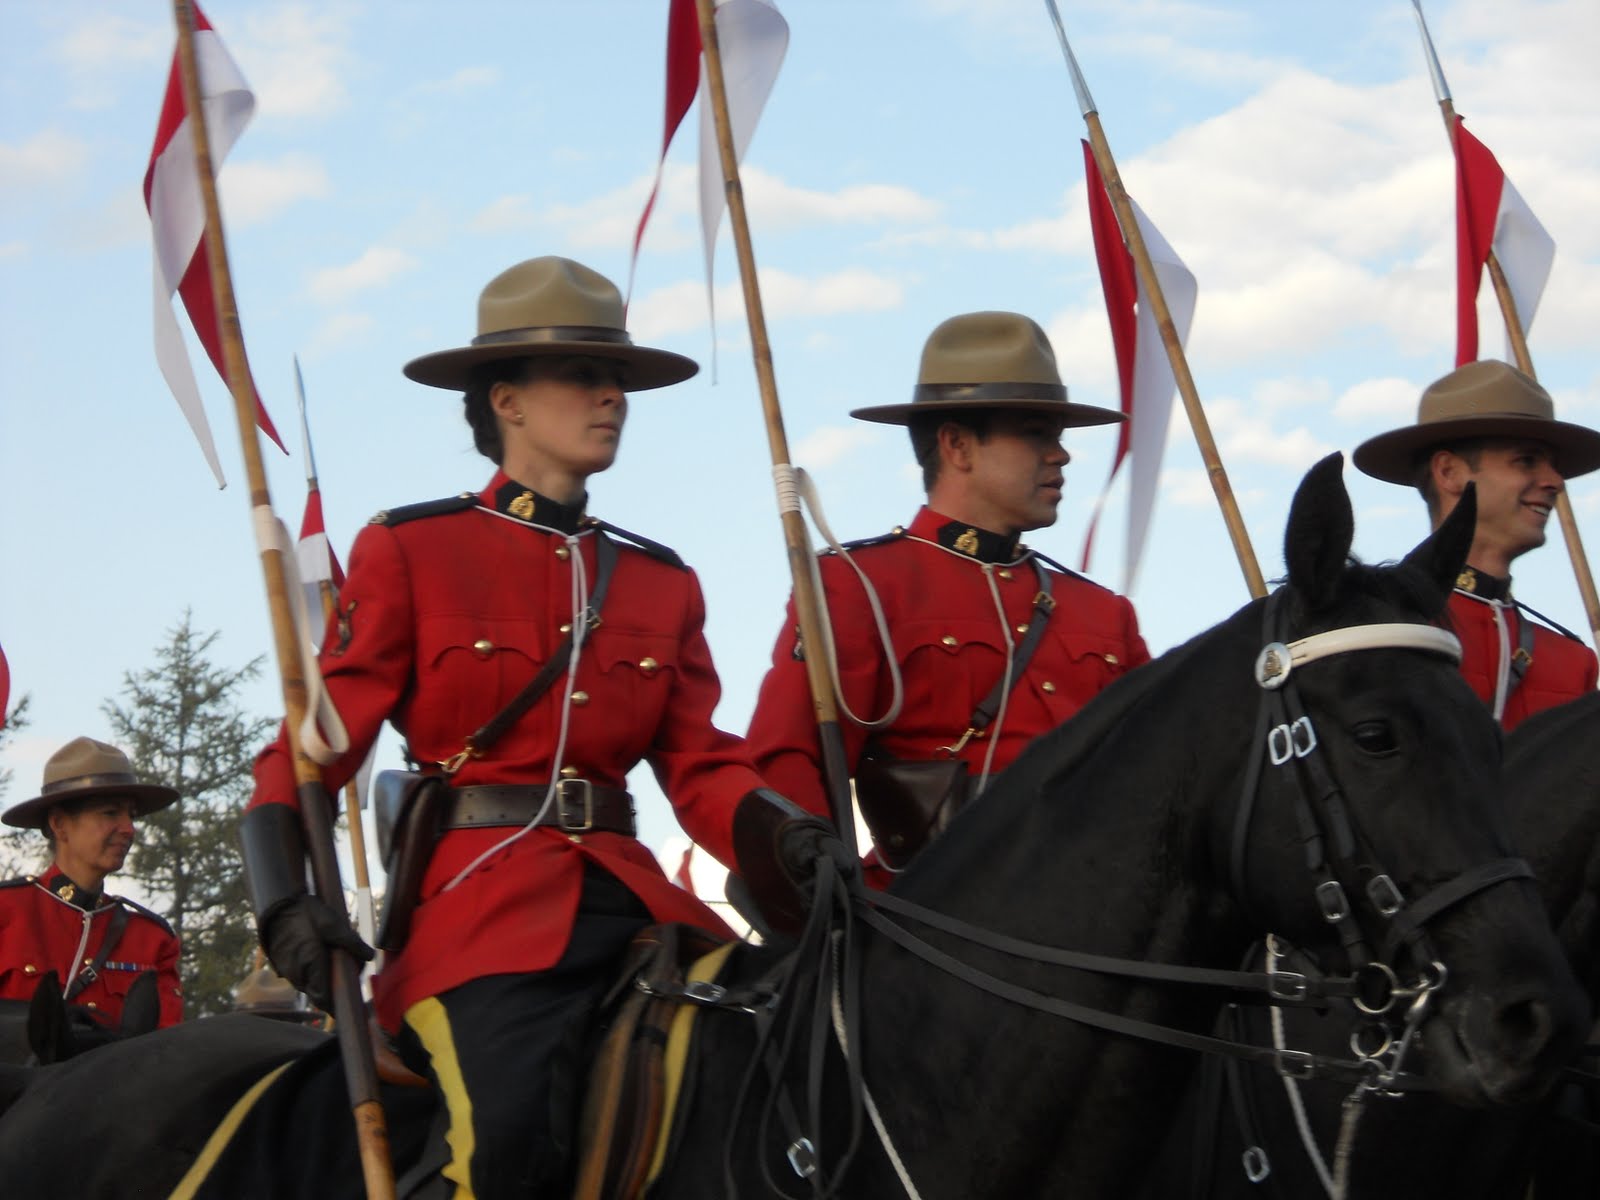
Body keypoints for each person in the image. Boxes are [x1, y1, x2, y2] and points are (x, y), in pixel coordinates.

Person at [240, 256, 831, 1199]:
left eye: (619, 380)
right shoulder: (411, 550)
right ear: (506, 401)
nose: (612, 397)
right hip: (484, 918)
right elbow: (313, 748)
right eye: (583, 377)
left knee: (803, 1061)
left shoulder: (660, 579)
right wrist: (283, 905)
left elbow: (701, 764)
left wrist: (785, 833)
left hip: (640, 905)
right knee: (506, 1138)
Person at [746, 310, 1151, 887]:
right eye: (1035, 432)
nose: (1060, 455)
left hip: (1099, 904)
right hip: (930, 918)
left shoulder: (1105, 614)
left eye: (1058, 435)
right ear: (958, 445)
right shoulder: (858, 585)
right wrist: (823, 889)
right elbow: (789, 758)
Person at [1353, 359, 1600, 728]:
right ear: (1449, 473)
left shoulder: (1573, 662)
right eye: (1527, 461)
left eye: (1553, 465)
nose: (1555, 481)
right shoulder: (1372, 635)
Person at [0, 737, 183, 1026]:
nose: (128, 829)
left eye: (131, 816)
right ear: (59, 824)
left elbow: (166, 1051)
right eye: (110, 813)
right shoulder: (7, 912)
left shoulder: (152, 939)